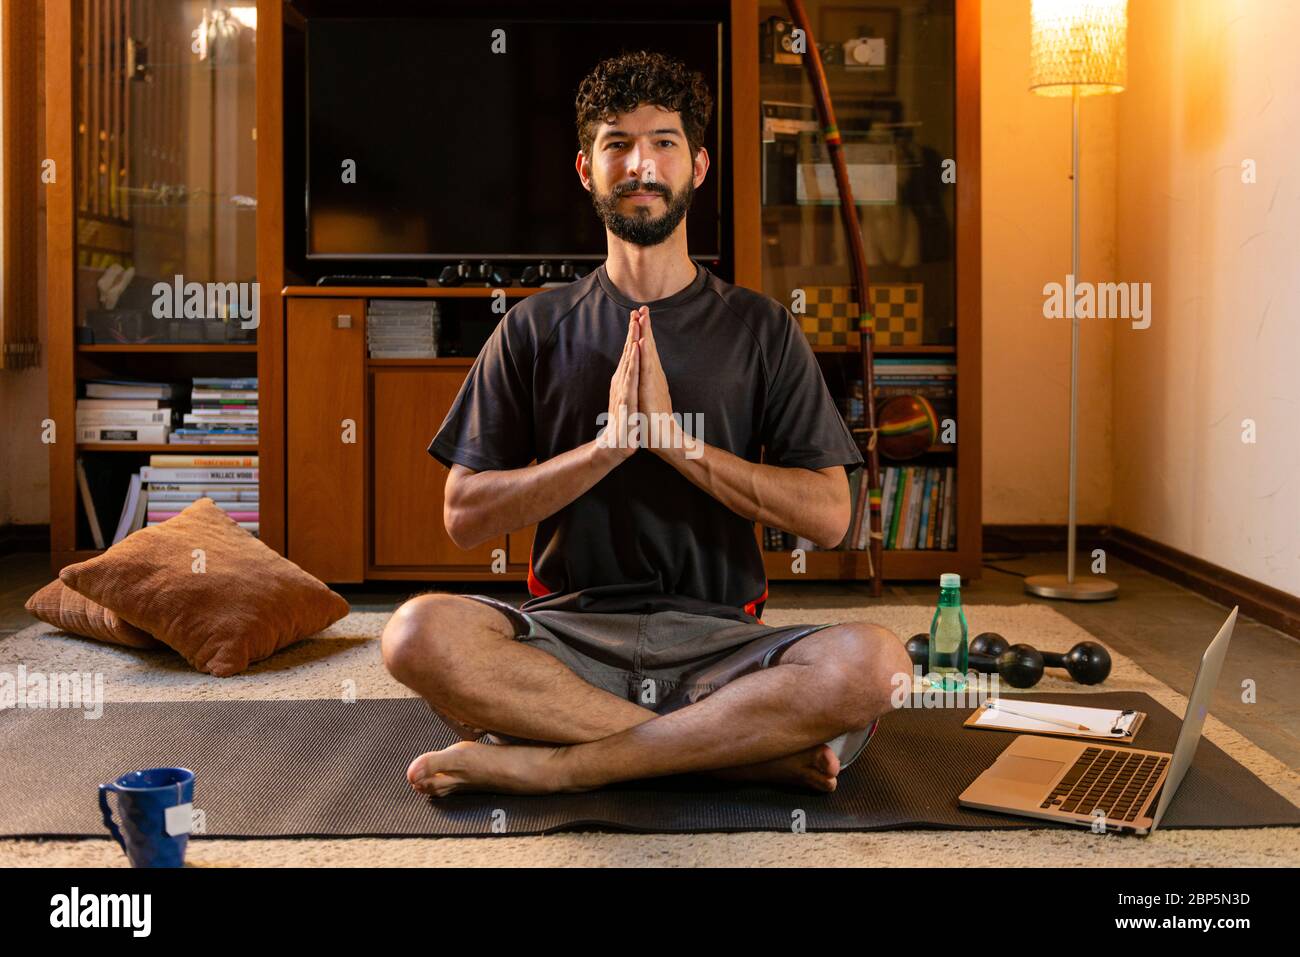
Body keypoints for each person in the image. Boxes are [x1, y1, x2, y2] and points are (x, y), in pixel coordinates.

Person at [381, 50, 910, 797]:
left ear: (696, 164)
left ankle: (564, 763)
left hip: (721, 642)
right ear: (585, 169)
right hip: (568, 637)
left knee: (878, 665)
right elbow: (464, 516)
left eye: (662, 142)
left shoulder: (761, 328)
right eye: (615, 144)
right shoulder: (533, 327)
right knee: (415, 633)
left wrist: (676, 444)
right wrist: (608, 448)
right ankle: (731, 751)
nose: (641, 164)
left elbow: (829, 518)